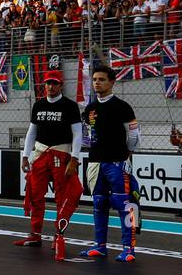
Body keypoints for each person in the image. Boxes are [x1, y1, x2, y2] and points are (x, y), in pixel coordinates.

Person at [15, 70, 83, 260]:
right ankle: (35, 234)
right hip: (40, 154)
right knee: (35, 194)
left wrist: (74, 158)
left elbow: (77, 133)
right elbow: (31, 132)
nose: (51, 87)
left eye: (54, 83)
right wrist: (25, 156)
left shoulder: (69, 106)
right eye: (48, 83)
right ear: (44, 85)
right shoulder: (39, 105)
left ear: (61, 85)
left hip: (61, 154)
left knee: (63, 196)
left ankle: (58, 235)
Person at [82, 64, 141, 262]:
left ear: (112, 82)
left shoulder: (122, 106)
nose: (97, 83)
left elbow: (133, 133)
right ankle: (100, 246)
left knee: (125, 205)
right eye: (95, 79)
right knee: (99, 203)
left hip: (117, 162)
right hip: (95, 162)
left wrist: (127, 153)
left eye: (102, 79)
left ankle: (129, 248)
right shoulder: (90, 108)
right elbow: (88, 134)